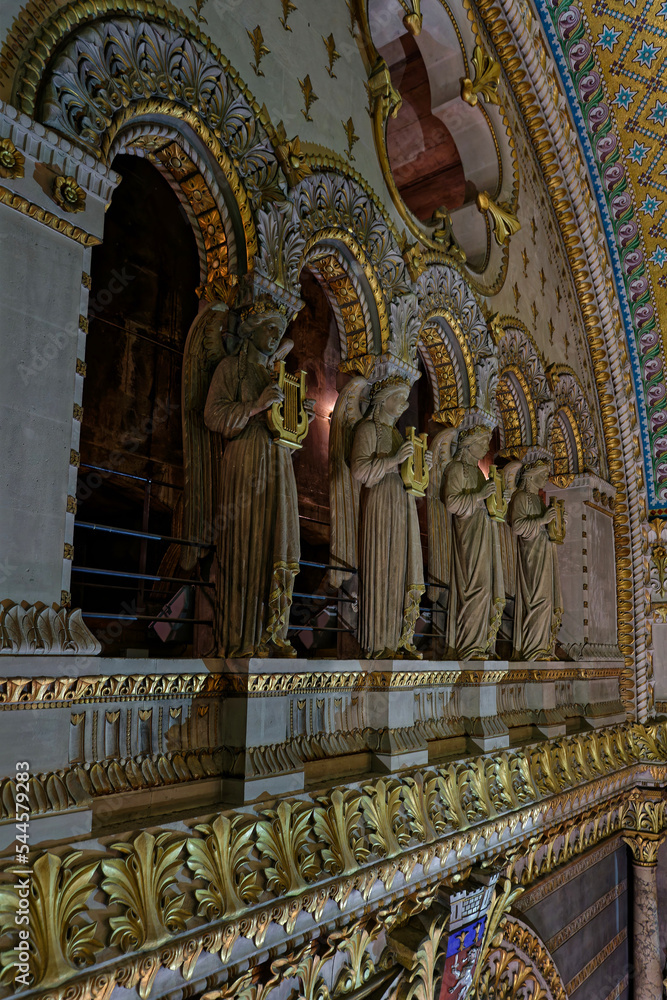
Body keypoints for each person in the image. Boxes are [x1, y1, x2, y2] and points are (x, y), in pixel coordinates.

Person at [203, 303, 300, 657]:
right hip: (245, 460)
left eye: (279, 331)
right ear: (251, 330)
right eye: (271, 328)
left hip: (277, 464)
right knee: (246, 545)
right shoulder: (232, 369)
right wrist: (257, 406)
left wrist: (295, 421)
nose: (276, 337)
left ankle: (273, 633)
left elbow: (288, 432)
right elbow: (213, 415)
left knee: (279, 542)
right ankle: (243, 639)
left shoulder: (279, 378)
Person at [350, 377, 430, 658]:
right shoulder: (367, 428)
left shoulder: (398, 436)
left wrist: (421, 467)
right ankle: (378, 643)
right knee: (381, 570)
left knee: (400, 571)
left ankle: (399, 639)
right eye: (400, 398)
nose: (405, 405)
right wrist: (395, 461)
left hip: (403, 509)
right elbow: (359, 470)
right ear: (383, 399)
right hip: (381, 506)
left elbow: (414, 484)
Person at [444, 425, 505, 659]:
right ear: (468, 445)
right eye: (482, 443)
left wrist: (499, 500)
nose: (486, 448)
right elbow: (451, 502)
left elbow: (487, 506)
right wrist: (480, 496)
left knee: (485, 588)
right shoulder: (457, 468)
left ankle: (480, 644)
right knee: (475, 587)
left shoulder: (479, 473)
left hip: (483, 533)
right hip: (468, 535)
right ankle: (469, 644)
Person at [509, 460, 563, 660]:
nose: (546, 478)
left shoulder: (538, 501)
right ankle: (533, 648)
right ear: (530, 476)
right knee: (537, 599)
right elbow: (517, 526)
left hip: (544, 553)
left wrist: (557, 521)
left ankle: (542, 647)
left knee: (546, 600)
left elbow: (547, 529)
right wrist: (542, 520)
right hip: (531, 555)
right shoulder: (521, 498)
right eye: (543, 474)